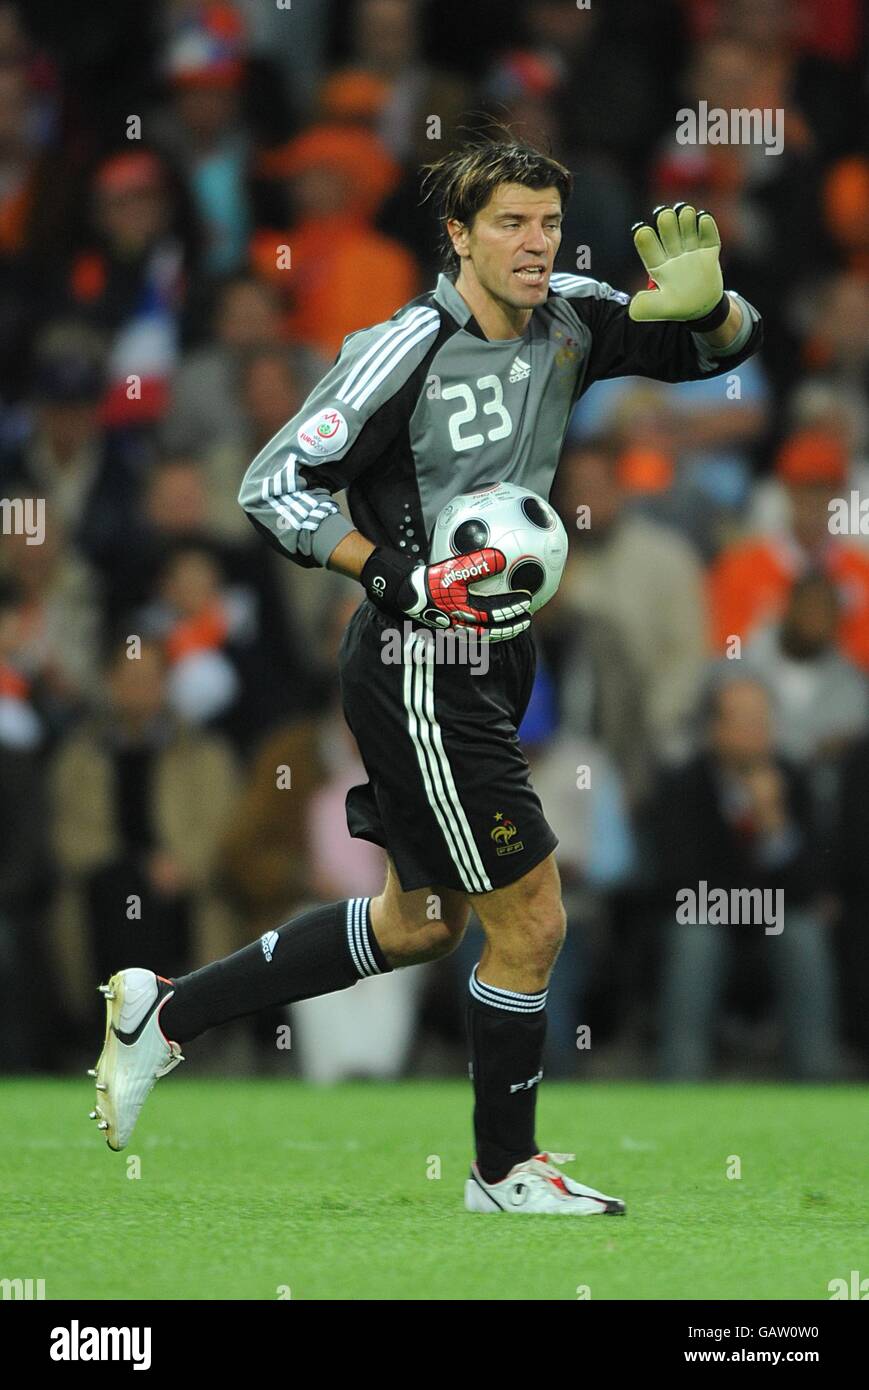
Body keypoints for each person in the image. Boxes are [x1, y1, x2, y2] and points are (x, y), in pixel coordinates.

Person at [90, 136, 763, 1215]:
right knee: (532, 917)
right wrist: (397, 575)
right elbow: (273, 485)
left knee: (419, 924)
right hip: (419, 655)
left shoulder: (572, 316)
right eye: (509, 223)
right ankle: (502, 1172)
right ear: (456, 234)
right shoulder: (400, 346)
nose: (535, 244)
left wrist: (713, 306)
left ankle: (161, 1015)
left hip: (499, 650)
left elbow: (709, 350)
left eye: (546, 222)